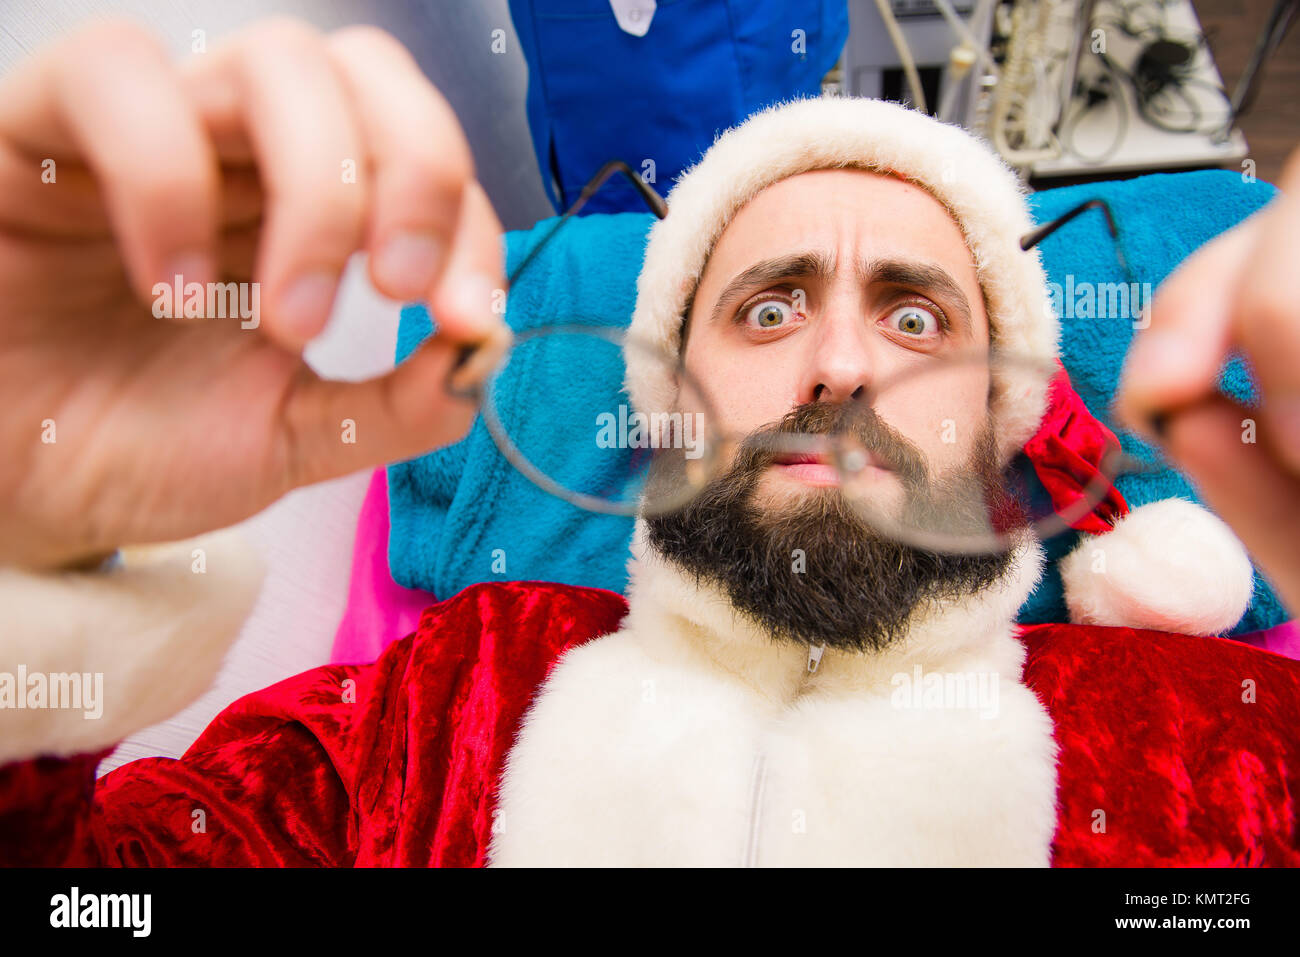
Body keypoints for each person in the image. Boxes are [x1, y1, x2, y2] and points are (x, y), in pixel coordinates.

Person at [0, 19, 1297, 867]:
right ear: (671, 402)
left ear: (1007, 416)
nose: (840, 366)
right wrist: (33, 546)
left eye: (914, 312)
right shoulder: (440, 705)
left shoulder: (1218, 743)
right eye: (770, 305)